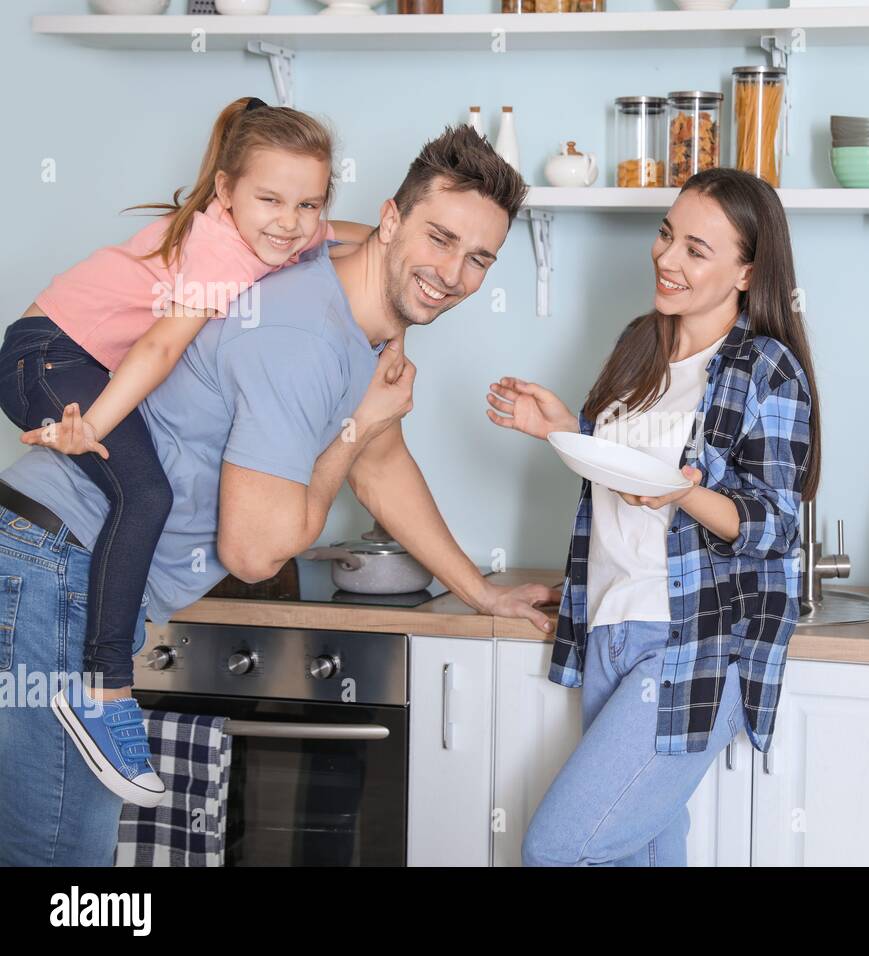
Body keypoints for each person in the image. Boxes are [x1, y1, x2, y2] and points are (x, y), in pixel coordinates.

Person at [0, 123, 557, 865]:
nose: (452, 272)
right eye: (440, 238)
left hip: (58, 563)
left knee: (52, 843)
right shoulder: (303, 339)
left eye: (478, 257)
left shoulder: (350, 302)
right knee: (58, 855)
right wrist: (357, 428)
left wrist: (480, 593)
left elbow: (382, 464)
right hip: (54, 568)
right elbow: (255, 550)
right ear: (391, 221)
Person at [0, 95, 373, 808]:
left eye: (308, 204)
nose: (291, 223)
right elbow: (161, 345)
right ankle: (105, 691)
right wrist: (92, 425)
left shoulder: (286, 230)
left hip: (83, 362)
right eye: (271, 199)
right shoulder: (219, 252)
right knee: (145, 495)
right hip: (47, 357)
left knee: (143, 493)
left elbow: (342, 235)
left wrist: (386, 242)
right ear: (227, 193)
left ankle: (103, 677)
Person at [487, 168, 821, 866]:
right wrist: (564, 429)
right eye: (667, 234)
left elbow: (773, 525)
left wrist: (682, 495)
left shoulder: (765, 368)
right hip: (607, 622)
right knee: (639, 852)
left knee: (557, 848)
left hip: (694, 641)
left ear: (745, 270)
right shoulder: (641, 340)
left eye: (697, 249)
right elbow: (623, 472)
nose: (667, 258)